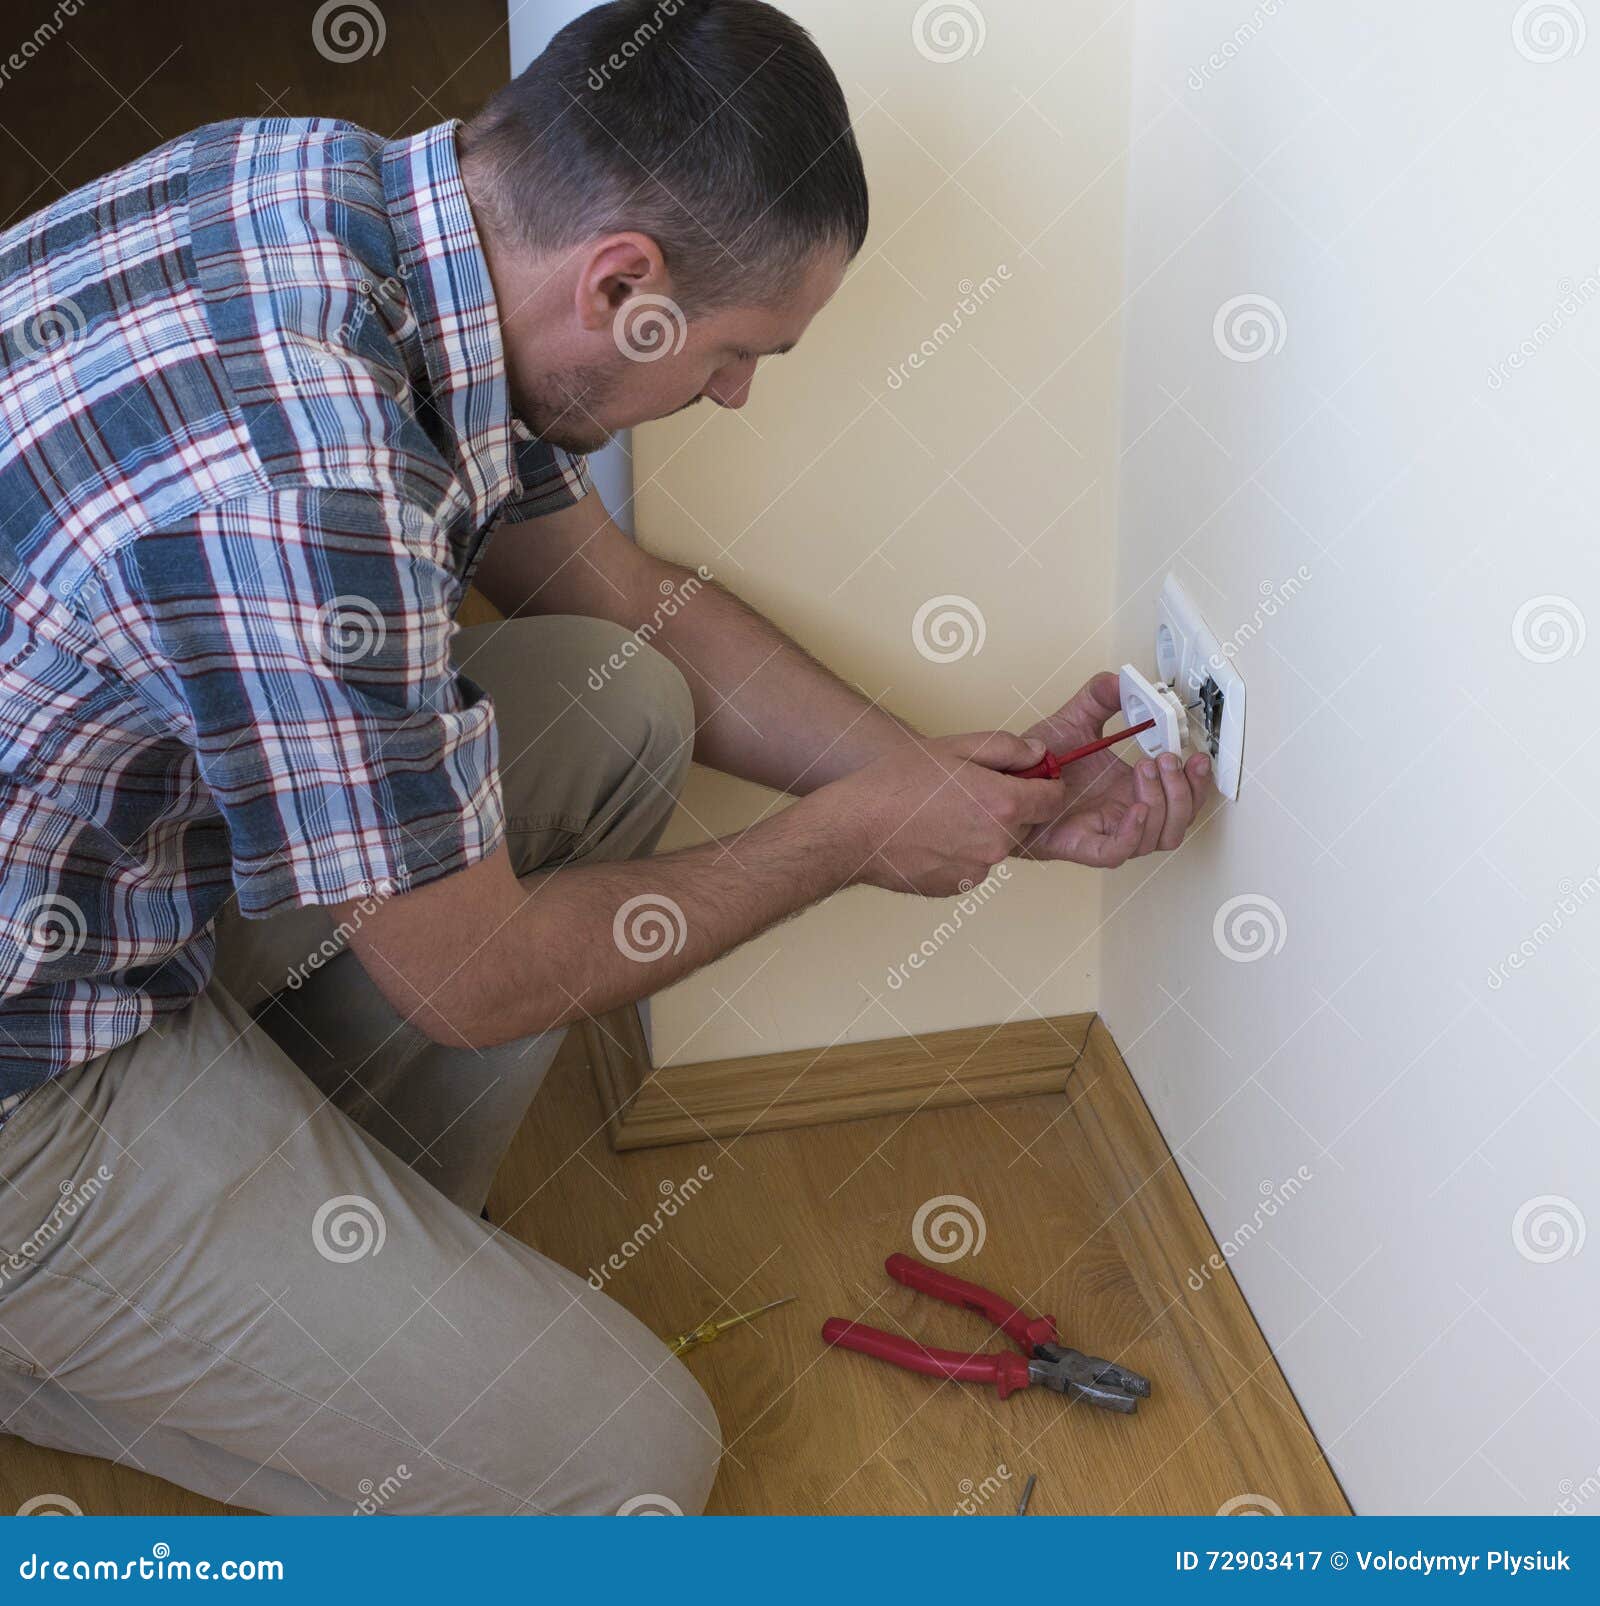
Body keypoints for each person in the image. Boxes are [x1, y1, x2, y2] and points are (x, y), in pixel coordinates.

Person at [0, 0, 1210, 1515]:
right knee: (629, 1464)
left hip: (99, 887)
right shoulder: (317, 487)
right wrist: (846, 843)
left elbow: (625, 602)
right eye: (733, 355)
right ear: (623, 282)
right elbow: (475, 977)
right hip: (32, 1080)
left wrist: (950, 794)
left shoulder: (333, 193)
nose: (737, 396)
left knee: (609, 698)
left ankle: (316, 1287)